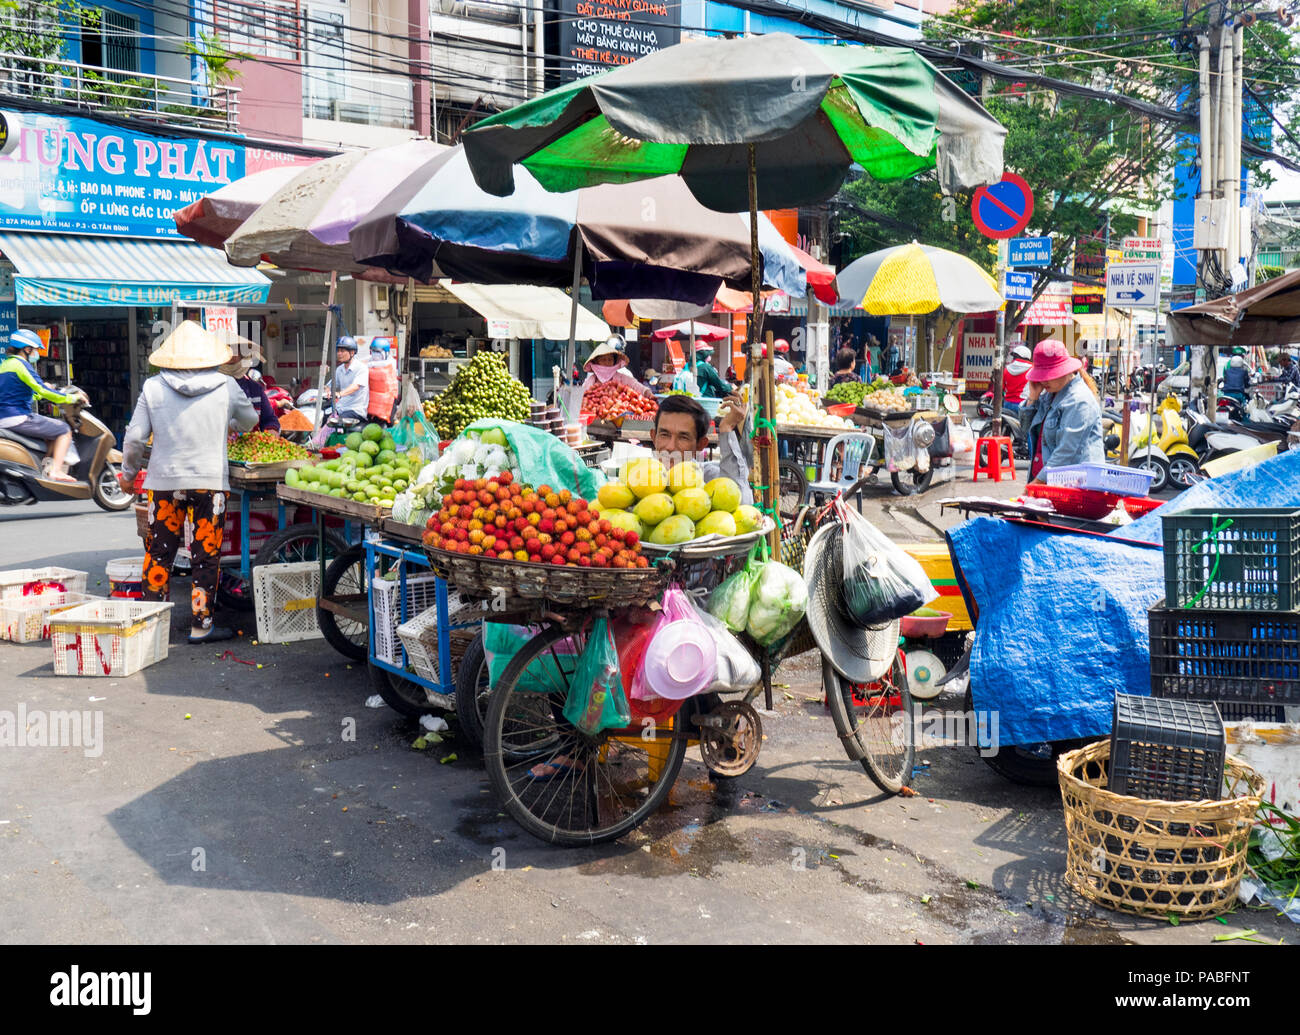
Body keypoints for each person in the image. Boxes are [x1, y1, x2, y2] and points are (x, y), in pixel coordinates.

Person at [119, 321, 258, 644]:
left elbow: (136, 437)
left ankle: (150, 625)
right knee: (205, 554)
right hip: (210, 484)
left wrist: (128, 477)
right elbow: (250, 421)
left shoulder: (153, 387)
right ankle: (201, 625)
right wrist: (227, 420)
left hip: (164, 483)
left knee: (159, 552)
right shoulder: (227, 385)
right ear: (211, 357)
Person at [0, 328, 86, 483]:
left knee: (50, 432)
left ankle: (43, 467)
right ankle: (56, 471)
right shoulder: (22, 365)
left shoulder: (5, 365)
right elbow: (42, 389)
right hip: (18, 417)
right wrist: (73, 398)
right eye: (34, 350)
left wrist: (44, 391)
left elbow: (25, 393)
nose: (36, 354)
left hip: (5, 417)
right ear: (27, 349)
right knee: (63, 429)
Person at [1020, 340, 1104, 483]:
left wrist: (1035, 486)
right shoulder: (1049, 395)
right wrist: (1033, 398)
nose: (1044, 380)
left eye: (1049, 374)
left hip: (1077, 486)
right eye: (1042, 375)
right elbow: (1026, 430)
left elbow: (1066, 452)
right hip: (1048, 481)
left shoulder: (1079, 401)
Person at [651, 392, 754, 505]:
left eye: (683, 437)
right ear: (653, 437)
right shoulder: (637, 478)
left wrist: (726, 428)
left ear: (700, 445)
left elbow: (741, 500)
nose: (670, 447)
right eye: (664, 435)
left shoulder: (707, 478)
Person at [218, 341, 280, 433]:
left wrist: (271, 431)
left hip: (249, 444)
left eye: (234, 350)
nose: (230, 355)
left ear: (242, 355)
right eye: (226, 350)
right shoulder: (211, 386)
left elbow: (269, 419)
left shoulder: (254, 389)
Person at [324, 336, 369, 422]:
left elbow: (355, 386)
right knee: (323, 417)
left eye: (342, 351)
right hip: (341, 407)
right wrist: (327, 390)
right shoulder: (339, 369)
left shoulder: (361, 368)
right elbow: (330, 385)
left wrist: (340, 394)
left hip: (355, 410)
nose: (339, 353)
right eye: (338, 351)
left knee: (337, 422)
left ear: (352, 353)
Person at [365, 338, 399, 425]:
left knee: (386, 428)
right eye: (373, 351)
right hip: (371, 404)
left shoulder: (389, 365)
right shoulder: (369, 363)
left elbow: (378, 369)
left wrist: (367, 365)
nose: (375, 354)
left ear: (386, 353)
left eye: (378, 352)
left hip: (387, 403)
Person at [1001, 344, 1033, 415]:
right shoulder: (1032, 369)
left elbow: (1002, 388)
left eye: (1014, 356)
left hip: (1007, 404)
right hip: (1023, 404)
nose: (1013, 358)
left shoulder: (1006, 369)